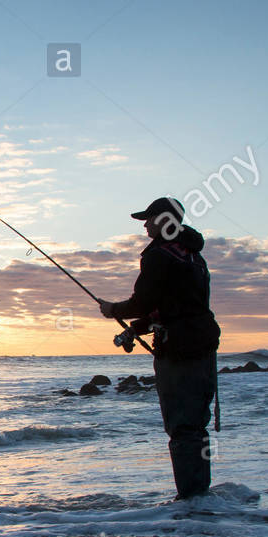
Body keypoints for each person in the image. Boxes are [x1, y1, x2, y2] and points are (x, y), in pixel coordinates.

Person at [98, 197, 220, 499]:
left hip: (179, 349)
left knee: (181, 426)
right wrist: (137, 328)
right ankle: (200, 496)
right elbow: (175, 306)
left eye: (150, 219)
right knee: (196, 424)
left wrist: (114, 309)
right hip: (204, 345)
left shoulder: (158, 256)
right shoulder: (192, 254)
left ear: (165, 221)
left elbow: (144, 303)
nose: (145, 224)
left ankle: (190, 500)